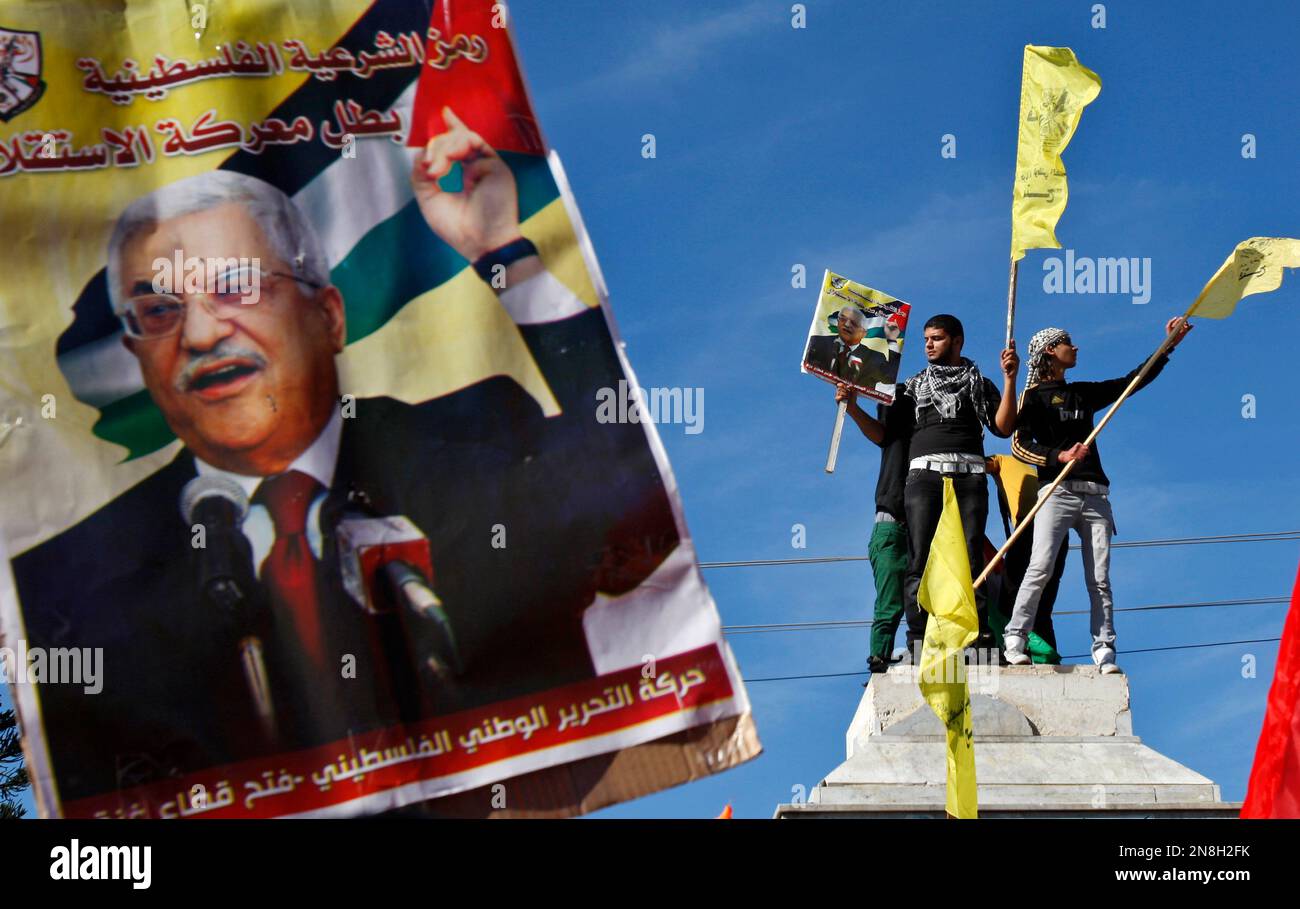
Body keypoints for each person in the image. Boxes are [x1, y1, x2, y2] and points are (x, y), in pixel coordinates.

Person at [12, 112, 679, 802]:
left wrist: (502, 252)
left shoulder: (479, 438)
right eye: (158, 311)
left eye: (237, 286)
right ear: (136, 353)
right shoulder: (75, 589)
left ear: (328, 315)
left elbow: (631, 487)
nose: (203, 332)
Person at [1003, 318, 1192, 672]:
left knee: (1099, 579)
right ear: (1050, 351)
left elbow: (1132, 381)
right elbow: (1018, 444)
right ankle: (1015, 636)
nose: (1075, 348)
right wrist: (1058, 456)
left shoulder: (1083, 392)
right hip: (1055, 491)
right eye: (1067, 343)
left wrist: (1169, 345)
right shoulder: (1033, 399)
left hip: (1096, 495)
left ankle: (1104, 649)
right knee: (1040, 566)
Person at [836, 314, 1019, 660]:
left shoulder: (979, 382)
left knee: (969, 558)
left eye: (937, 338)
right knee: (918, 560)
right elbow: (884, 436)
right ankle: (919, 641)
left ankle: (978, 639)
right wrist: (854, 408)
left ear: (957, 341)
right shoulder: (912, 387)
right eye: (926, 339)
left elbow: (1003, 427)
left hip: (968, 476)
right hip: (923, 478)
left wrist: (1010, 379)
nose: (929, 345)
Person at [838, 382, 910, 675]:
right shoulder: (894, 435)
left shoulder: (936, 438)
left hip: (923, 528)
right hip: (893, 525)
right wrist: (853, 406)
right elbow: (879, 433)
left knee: (922, 600)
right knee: (891, 602)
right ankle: (880, 658)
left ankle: (917, 655)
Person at [805, 306, 890, 388]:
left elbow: (888, 380)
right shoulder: (818, 342)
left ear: (863, 333)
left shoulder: (875, 357)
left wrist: (892, 342)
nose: (847, 324)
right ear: (837, 321)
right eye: (843, 319)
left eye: (854, 323)